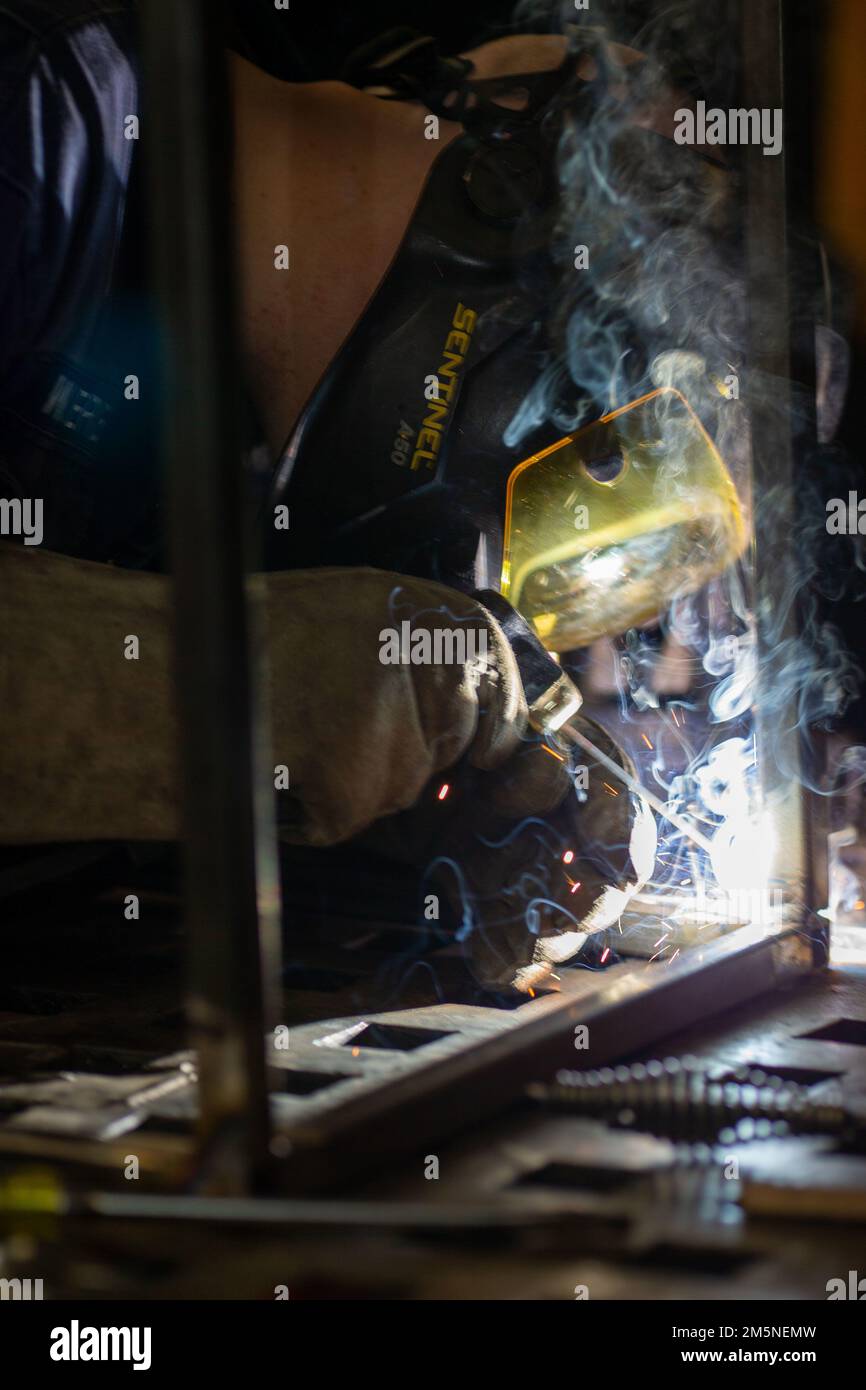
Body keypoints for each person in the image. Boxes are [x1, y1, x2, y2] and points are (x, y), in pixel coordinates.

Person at [0, 2, 653, 989]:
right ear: (505, 113)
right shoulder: (36, 111)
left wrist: (350, 831)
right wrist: (216, 690)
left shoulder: (247, 454)